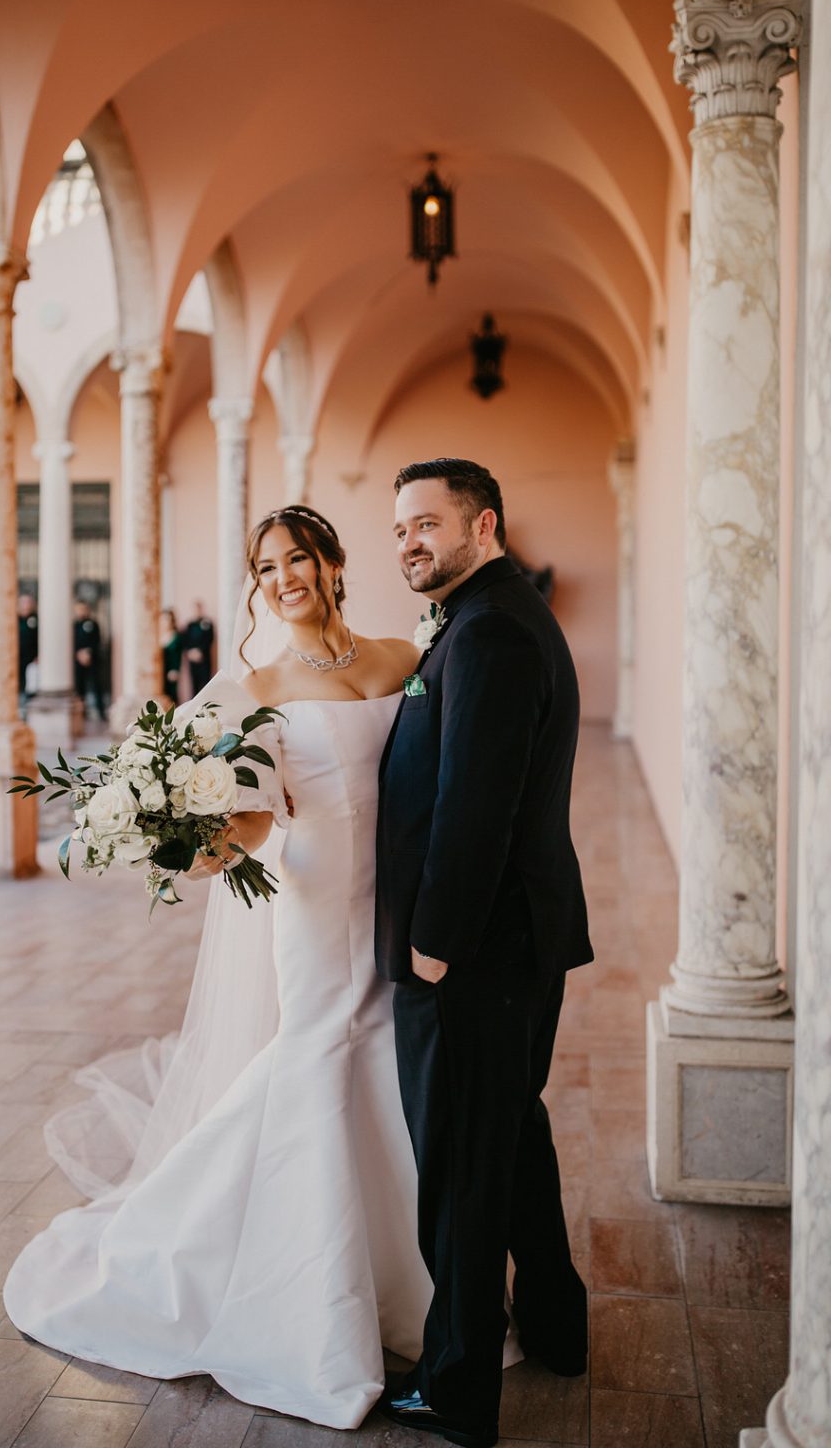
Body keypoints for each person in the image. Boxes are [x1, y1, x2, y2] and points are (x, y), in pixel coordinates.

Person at [3, 505, 520, 1426]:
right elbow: (241, 826)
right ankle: (306, 1306)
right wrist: (176, 840)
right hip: (316, 905)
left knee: (390, 1066)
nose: (283, 576)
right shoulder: (253, 689)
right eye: (266, 565)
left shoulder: (405, 659)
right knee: (320, 1055)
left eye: (298, 558)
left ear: (331, 563)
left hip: (399, 896)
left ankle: (408, 1285)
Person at [376, 458, 592, 1448]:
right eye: (400, 528)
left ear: (485, 525)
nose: (410, 540)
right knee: (508, 1135)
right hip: (508, 945)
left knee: (462, 1166)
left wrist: (433, 944)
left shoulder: (493, 632)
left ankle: (456, 1388)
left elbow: (476, 803)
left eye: (428, 521)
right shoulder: (484, 618)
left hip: (477, 952)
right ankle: (553, 1323)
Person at [73, 599, 105, 721]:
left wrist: (88, 653)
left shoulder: (93, 624)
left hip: (92, 660)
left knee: (96, 685)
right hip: (78, 661)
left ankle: (101, 712)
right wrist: (78, 654)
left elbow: (97, 641)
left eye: (83, 609)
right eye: (78, 609)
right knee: (80, 688)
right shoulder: (74, 625)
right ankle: (82, 713)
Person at [182, 599, 216, 692]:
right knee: (194, 685)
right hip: (192, 660)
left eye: (198, 609)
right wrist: (190, 652)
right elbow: (185, 640)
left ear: (201, 609)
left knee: (206, 684)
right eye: (195, 609)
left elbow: (210, 639)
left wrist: (200, 651)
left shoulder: (208, 623)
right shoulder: (189, 625)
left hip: (204, 659)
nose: (197, 611)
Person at [17, 593, 38, 714]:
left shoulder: (36, 619)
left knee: (31, 683)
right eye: (23, 602)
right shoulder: (14, 619)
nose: (26, 605)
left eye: (28, 602)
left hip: (31, 658)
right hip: (16, 657)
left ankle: (29, 709)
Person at [159, 607, 182, 705]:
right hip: (160, 671)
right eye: (163, 619)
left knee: (171, 696)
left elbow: (178, 655)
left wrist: (175, 670)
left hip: (171, 671)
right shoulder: (159, 635)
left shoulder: (176, 636)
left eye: (167, 619)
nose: (165, 622)